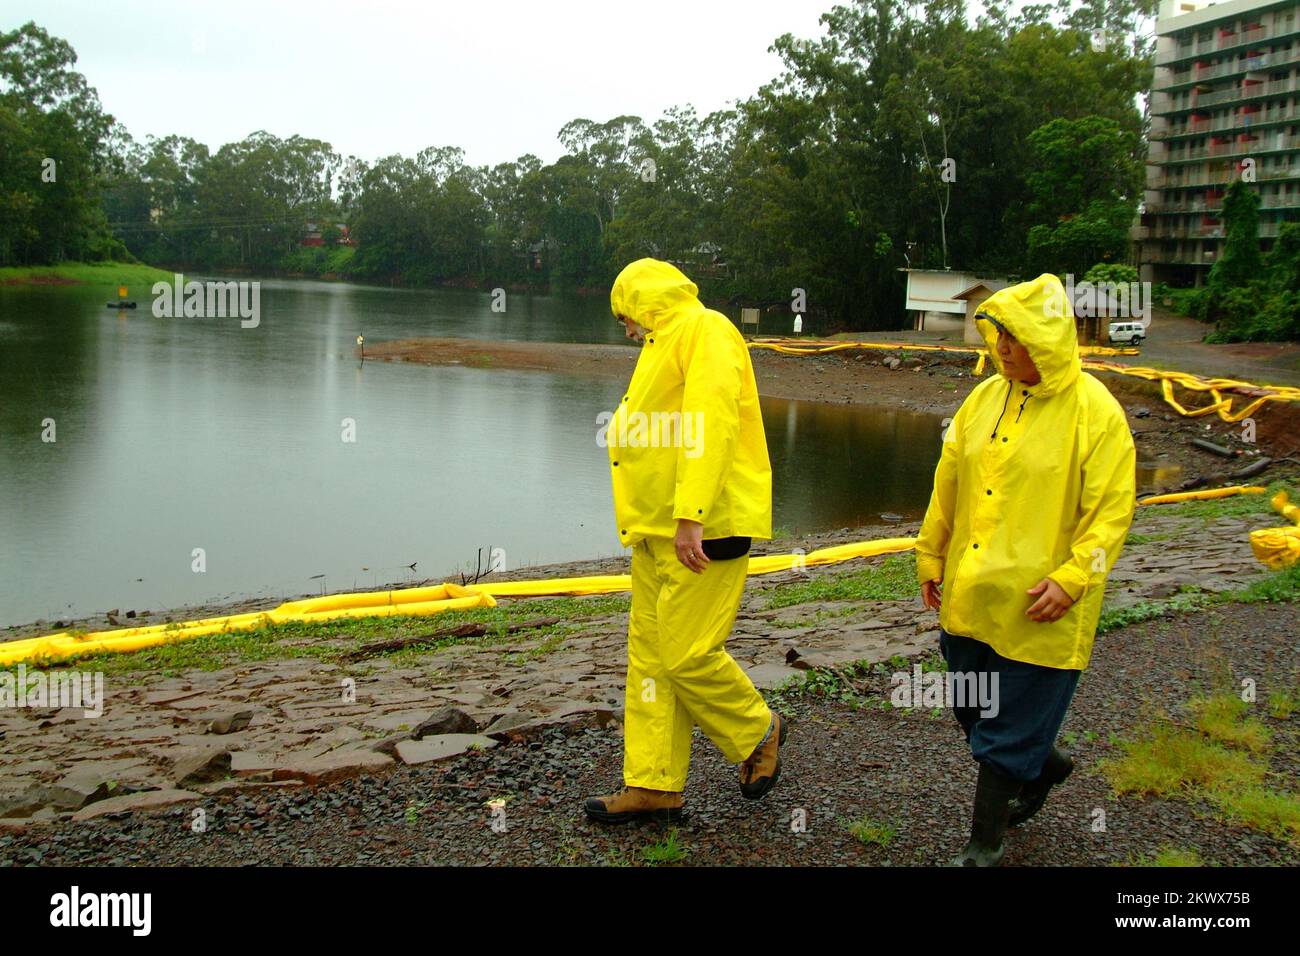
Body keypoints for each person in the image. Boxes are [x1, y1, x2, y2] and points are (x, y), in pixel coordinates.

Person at [915, 272, 1136, 866]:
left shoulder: (1096, 414)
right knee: (970, 704)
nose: (1003, 349)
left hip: (1043, 600)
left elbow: (1111, 513)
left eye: (1016, 339)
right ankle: (1045, 764)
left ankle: (983, 846)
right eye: (999, 337)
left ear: (1048, 340)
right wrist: (930, 553)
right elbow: (948, 484)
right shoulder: (983, 399)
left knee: (1007, 726)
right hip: (973, 591)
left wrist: (1073, 578)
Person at [585, 258, 789, 824]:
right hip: (657, 530)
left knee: (687, 654)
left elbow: (710, 420)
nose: (624, 327)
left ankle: (759, 729)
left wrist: (692, 513)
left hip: (705, 528)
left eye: (625, 313)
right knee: (650, 660)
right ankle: (652, 786)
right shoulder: (663, 342)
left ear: (646, 300)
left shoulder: (708, 330)